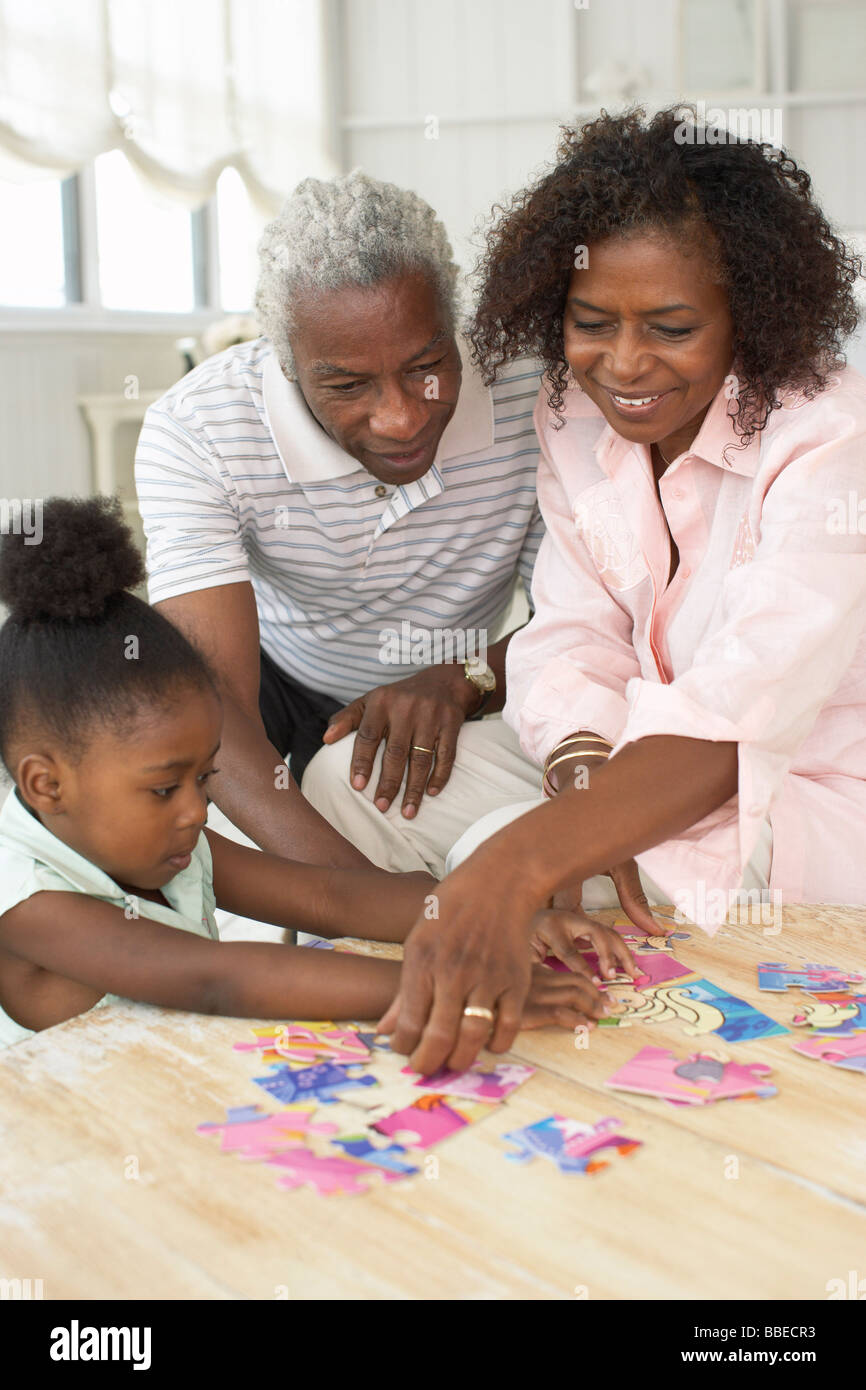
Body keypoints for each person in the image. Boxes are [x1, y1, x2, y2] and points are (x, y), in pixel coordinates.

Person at [381, 106, 866, 1075]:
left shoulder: (832, 437)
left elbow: (739, 713)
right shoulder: (569, 410)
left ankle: (471, 953)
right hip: (624, 759)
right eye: (590, 324)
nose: (625, 364)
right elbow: (568, 630)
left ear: (750, 314)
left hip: (791, 789)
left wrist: (523, 861)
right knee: (350, 795)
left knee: (490, 850)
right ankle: (425, 937)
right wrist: (578, 773)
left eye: (672, 327)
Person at [0, 497, 626, 1049]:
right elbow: (217, 979)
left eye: (203, 778)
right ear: (44, 785)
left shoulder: (159, 840)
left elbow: (328, 895)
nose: (196, 810)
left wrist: (502, 917)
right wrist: (456, 982)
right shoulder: (30, 900)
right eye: (166, 788)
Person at [135, 171, 545, 875]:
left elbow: (585, 625)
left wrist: (470, 678)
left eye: (427, 367)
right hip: (281, 692)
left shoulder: (535, 393)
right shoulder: (200, 429)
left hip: (473, 686)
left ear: (455, 327)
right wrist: (372, 902)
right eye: (346, 385)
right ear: (286, 362)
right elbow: (213, 705)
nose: (402, 418)